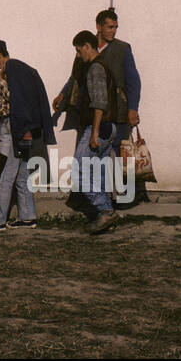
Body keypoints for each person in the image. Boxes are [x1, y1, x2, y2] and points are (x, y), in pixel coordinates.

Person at [54, 8, 145, 208]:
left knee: (119, 153)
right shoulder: (85, 48)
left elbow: (133, 81)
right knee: (95, 157)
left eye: (115, 27)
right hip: (91, 111)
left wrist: (133, 108)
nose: (113, 31)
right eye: (110, 27)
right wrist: (63, 94)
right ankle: (99, 201)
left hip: (117, 110)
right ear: (99, 26)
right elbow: (75, 77)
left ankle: (125, 196)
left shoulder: (122, 49)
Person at [0, 40, 51, 233]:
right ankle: (27, 217)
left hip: (15, 126)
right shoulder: (18, 70)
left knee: (7, 174)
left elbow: (12, 101)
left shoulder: (12, 69)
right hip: (23, 127)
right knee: (22, 175)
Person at [70, 31, 118, 234]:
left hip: (99, 127)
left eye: (78, 50)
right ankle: (106, 215)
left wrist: (94, 133)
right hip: (108, 126)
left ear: (87, 46)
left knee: (79, 171)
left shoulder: (96, 68)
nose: (78, 54)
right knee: (96, 173)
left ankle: (105, 209)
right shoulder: (101, 65)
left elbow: (99, 102)